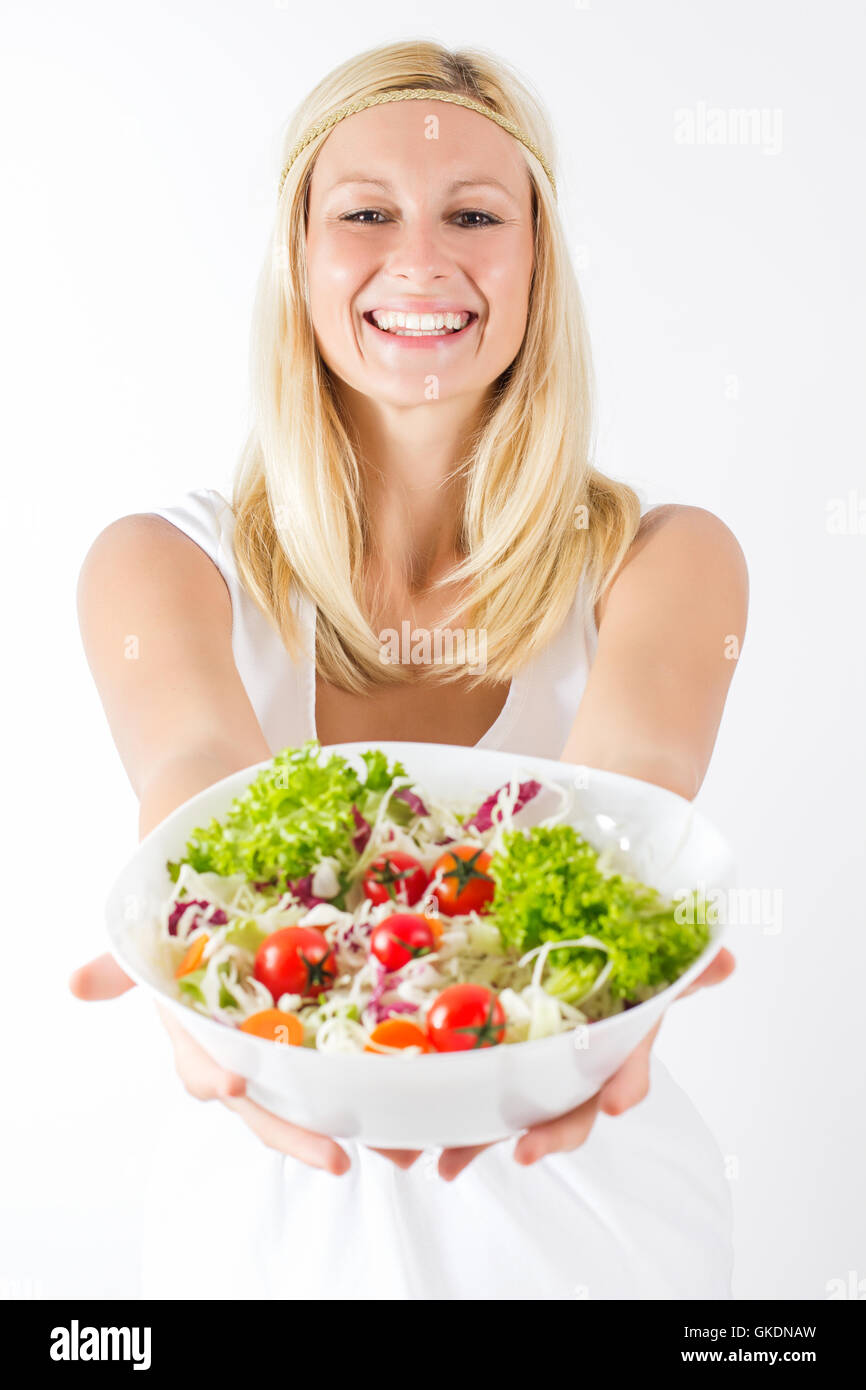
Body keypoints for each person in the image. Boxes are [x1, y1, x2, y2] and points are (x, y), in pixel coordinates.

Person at [71, 40, 746, 1299]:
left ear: (539, 257)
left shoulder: (664, 561)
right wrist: (180, 939)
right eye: (365, 212)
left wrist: (633, 952)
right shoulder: (161, 566)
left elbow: (621, 812)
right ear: (298, 256)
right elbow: (198, 777)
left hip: (597, 1232)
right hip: (266, 1230)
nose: (421, 258)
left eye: (474, 214)